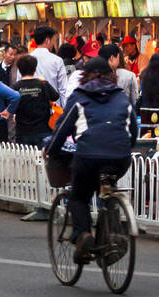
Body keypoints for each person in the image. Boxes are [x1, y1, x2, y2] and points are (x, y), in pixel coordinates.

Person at [47, 55, 139, 261]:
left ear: (85, 75)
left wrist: (52, 150)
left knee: (79, 196)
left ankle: (83, 235)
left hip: (88, 156)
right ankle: (112, 234)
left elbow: (62, 128)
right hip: (120, 157)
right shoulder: (122, 97)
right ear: (111, 75)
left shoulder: (79, 96)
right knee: (107, 190)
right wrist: (124, 149)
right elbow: (133, 130)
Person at [13, 53, 60, 147]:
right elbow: (55, 96)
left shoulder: (16, 87)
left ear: (20, 70)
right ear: (34, 69)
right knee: (42, 159)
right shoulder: (43, 84)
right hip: (42, 130)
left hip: (23, 132)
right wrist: (44, 81)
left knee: (25, 159)